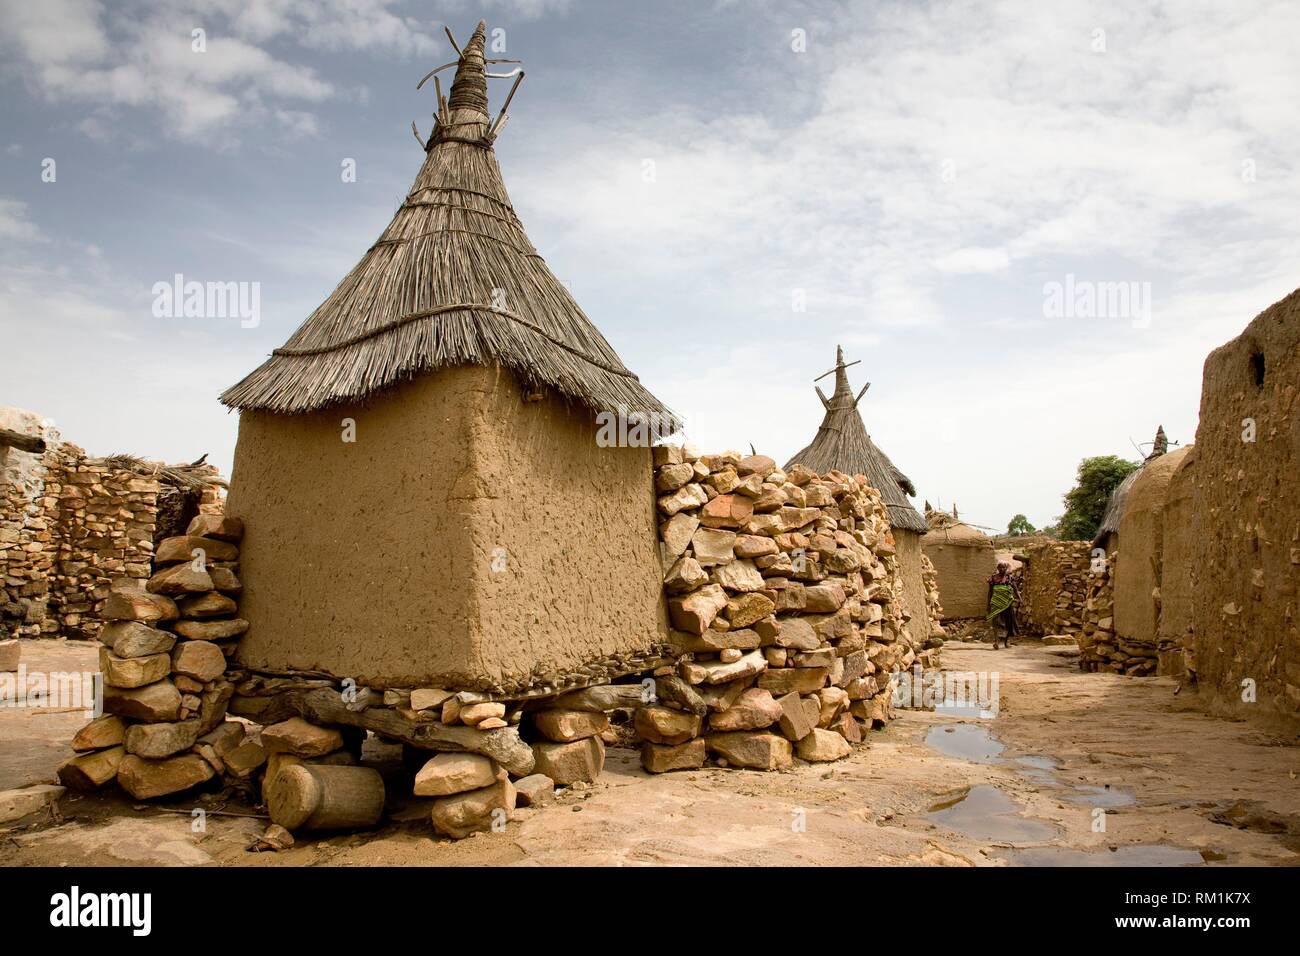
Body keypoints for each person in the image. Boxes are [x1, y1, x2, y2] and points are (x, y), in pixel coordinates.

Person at [986, 561, 1019, 649]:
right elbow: (990, 592)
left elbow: (1015, 589)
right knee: (995, 621)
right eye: (1000, 567)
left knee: (1009, 622)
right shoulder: (993, 578)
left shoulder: (1010, 578)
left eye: (1004, 567)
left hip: (1007, 602)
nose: (1002, 569)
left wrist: (1020, 599)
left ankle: (1006, 641)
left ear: (1006, 568)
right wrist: (988, 605)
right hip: (996, 602)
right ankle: (996, 641)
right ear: (997, 568)